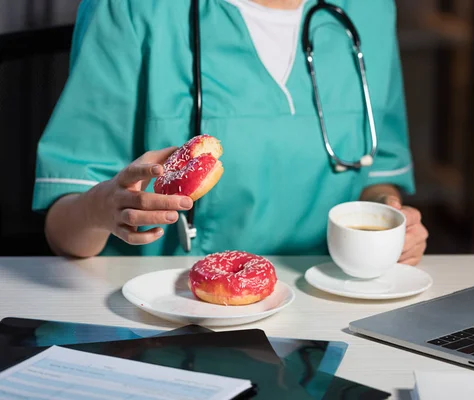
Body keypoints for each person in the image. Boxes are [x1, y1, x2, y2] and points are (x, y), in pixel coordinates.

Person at [33, 0, 428, 264]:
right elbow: (63, 228)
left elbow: (376, 182)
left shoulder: (369, 9)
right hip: (170, 318)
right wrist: (101, 209)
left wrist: (392, 218)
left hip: (328, 300)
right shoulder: (132, 8)